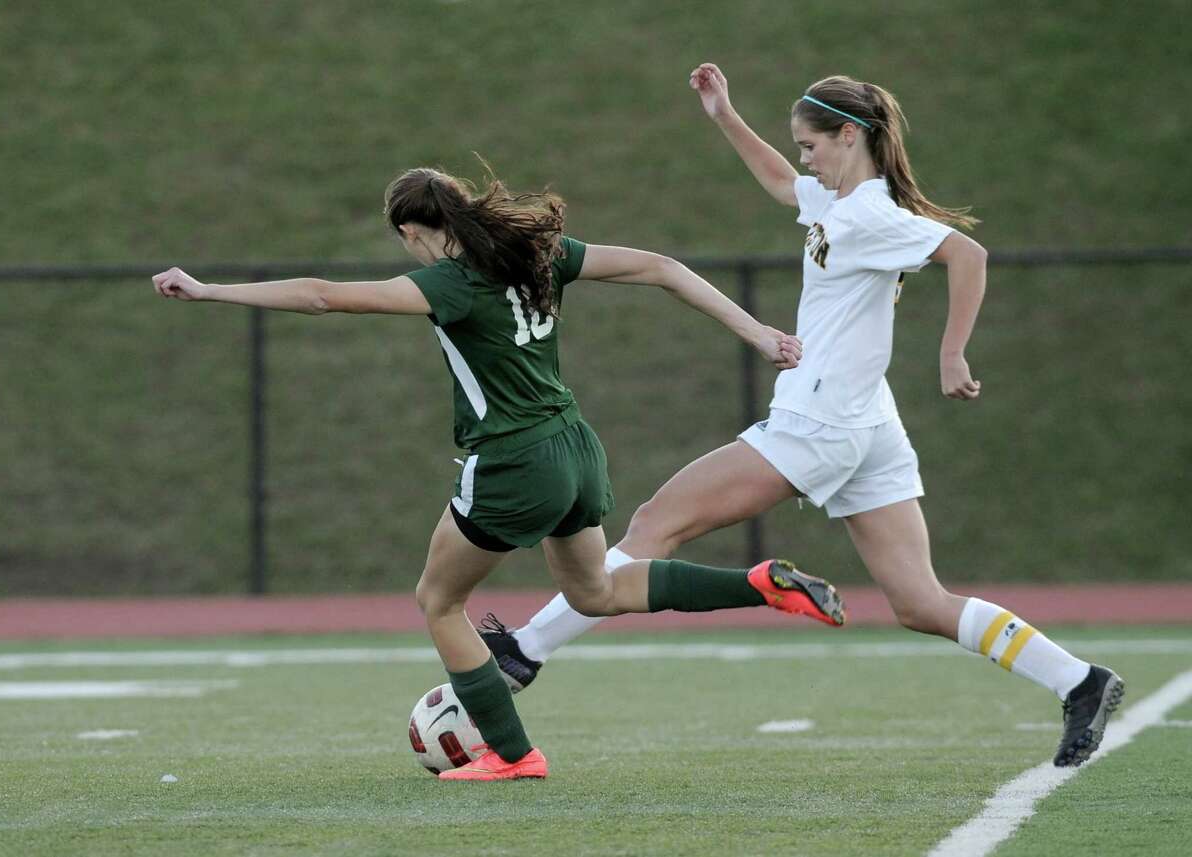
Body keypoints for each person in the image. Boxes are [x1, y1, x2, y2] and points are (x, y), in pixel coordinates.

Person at [477, 65, 1124, 769]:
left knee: (655, 523)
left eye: (812, 144)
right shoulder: (834, 200)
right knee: (919, 600)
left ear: (850, 136)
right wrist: (725, 115)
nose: (804, 157)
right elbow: (784, 182)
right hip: (866, 422)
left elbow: (967, 254)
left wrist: (951, 353)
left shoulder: (872, 213)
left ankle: (523, 651)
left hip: (821, 423)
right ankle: (1079, 680)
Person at [152, 166, 847, 782]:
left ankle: (513, 754)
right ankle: (759, 583)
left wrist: (210, 290)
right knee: (597, 591)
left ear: (412, 230)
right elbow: (661, 267)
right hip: (576, 445)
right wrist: (758, 333)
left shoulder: (447, 283)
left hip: (515, 459)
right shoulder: (537, 256)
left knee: (438, 600)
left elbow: (322, 295)